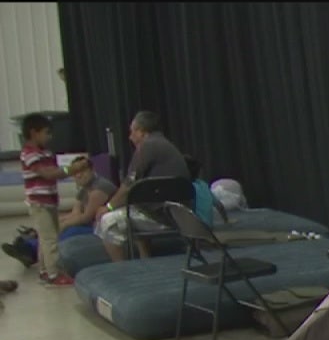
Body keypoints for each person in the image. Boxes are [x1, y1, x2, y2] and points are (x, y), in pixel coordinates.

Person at [95, 110, 190, 261]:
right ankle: (145, 260)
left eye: (132, 132)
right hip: (180, 213)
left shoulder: (147, 147)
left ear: (141, 132)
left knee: (107, 221)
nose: (130, 137)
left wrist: (108, 207)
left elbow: (127, 186)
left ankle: (122, 272)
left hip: (164, 217)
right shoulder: (165, 144)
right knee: (136, 207)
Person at [3, 156, 115, 268]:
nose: (79, 175)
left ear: (92, 170)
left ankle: (30, 251)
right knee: (51, 227)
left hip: (99, 227)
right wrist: (55, 223)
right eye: (76, 173)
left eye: (83, 171)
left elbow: (86, 218)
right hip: (89, 224)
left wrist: (63, 225)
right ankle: (28, 246)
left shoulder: (99, 188)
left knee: (67, 232)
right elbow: (75, 214)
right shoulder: (83, 189)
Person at [18, 113, 88, 287]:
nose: (50, 137)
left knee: (46, 237)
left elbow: (54, 174)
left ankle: (44, 270)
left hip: (50, 201)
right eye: (46, 132)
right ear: (34, 133)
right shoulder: (29, 154)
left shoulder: (46, 153)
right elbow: (48, 173)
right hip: (39, 203)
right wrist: (72, 169)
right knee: (49, 239)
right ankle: (54, 273)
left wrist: (67, 171)